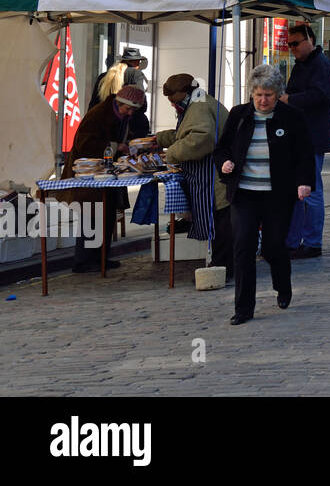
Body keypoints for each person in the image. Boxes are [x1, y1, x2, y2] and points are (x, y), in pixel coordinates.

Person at [214, 65, 315, 325]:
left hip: (277, 195)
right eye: (258, 94)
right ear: (251, 93)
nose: (263, 100)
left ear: (278, 94)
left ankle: (283, 285)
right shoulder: (238, 115)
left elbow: (305, 153)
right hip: (245, 193)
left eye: (269, 95)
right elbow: (221, 148)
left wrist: (304, 182)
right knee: (243, 246)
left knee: (273, 246)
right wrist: (224, 163)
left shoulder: (291, 117)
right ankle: (244, 308)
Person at [65, 83, 149, 272]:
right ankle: (84, 262)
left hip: (106, 174)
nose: (129, 114)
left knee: (107, 214)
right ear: (119, 103)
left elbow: (123, 137)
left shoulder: (121, 116)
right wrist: (115, 146)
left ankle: (101, 258)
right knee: (91, 215)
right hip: (88, 173)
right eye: (128, 109)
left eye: (132, 111)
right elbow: (84, 143)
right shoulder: (98, 115)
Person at [155, 74, 230, 274]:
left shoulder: (199, 106)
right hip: (214, 175)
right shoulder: (198, 102)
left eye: (173, 101)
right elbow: (185, 133)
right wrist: (159, 139)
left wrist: (171, 153)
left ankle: (222, 267)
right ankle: (222, 264)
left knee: (220, 223)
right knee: (220, 222)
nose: (172, 105)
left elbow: (201, 138)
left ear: (184, 94)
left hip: (214, 176)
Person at [281, 23, 330, 260]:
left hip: (311, 137)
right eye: (289, 44)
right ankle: (293, 240)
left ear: (309, 40)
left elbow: (319, 96)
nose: (292, 48)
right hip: (297, 136)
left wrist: (289, 99)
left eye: (296, 43)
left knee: (311, 191)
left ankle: (312, 242)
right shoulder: (301, 65)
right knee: (296, 192)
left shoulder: (321, 65)